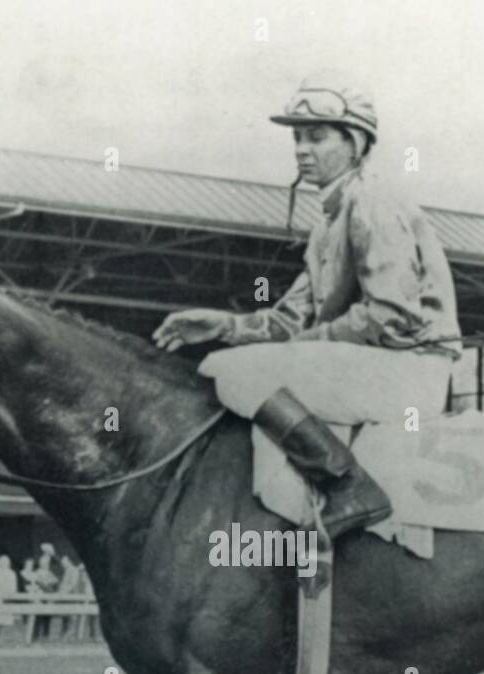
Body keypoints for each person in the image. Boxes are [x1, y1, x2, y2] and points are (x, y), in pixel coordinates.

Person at [153, 77, 461, 540]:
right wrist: (225, 325)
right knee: (223, 359)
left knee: (235, 372)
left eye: (316, 137)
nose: (301, 149)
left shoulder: (374, 202)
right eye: (297, 137)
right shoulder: (327, 227)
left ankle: (349, 488)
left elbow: (392, 315)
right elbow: (288, 320)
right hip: (378, 365)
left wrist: (302, 345)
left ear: (355, 144)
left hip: (412, 370)